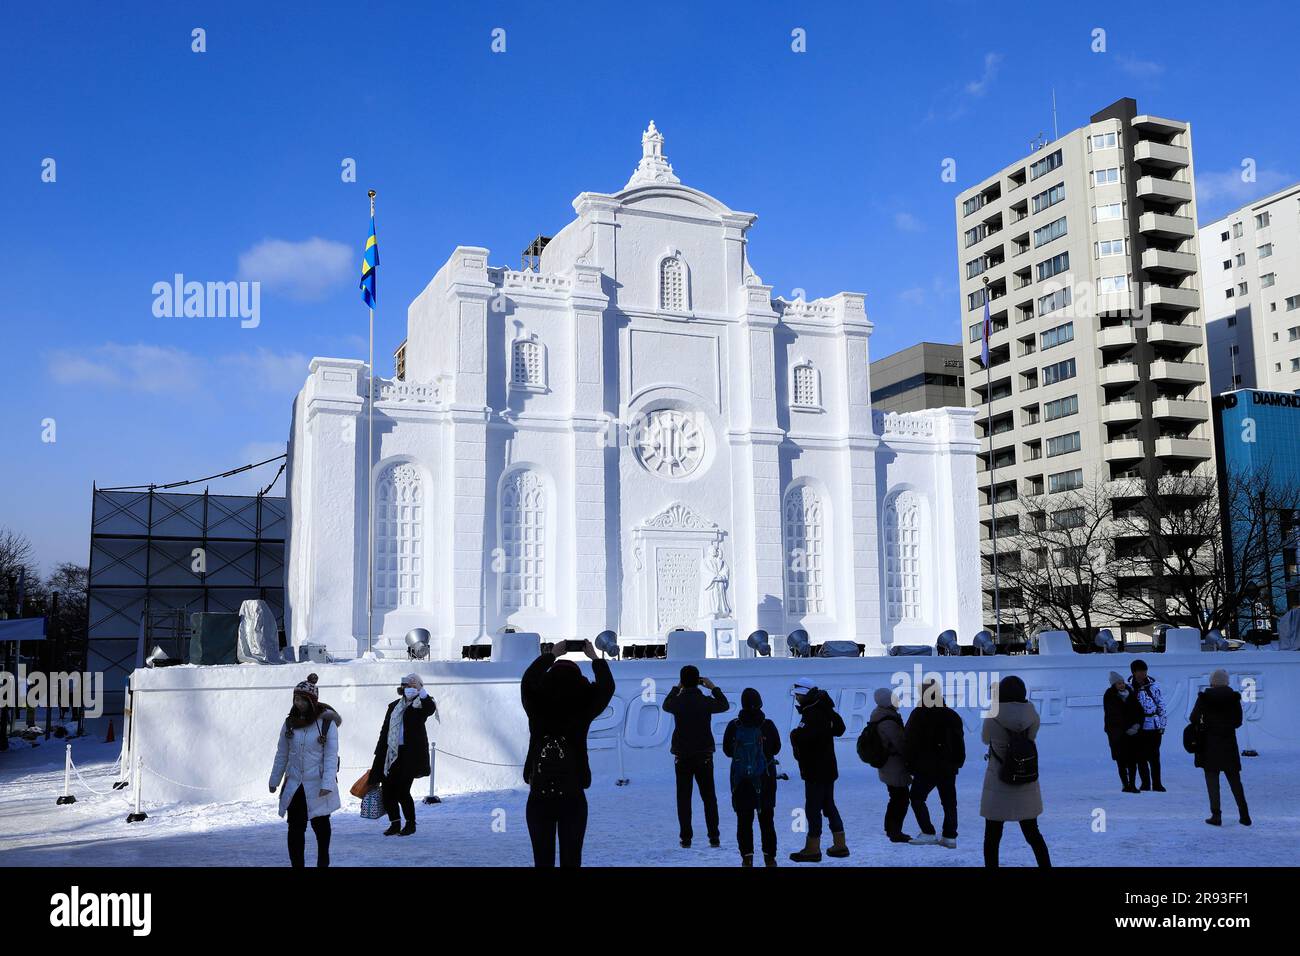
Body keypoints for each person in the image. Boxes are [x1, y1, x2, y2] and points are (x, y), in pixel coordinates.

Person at [520, 639, 615, 867]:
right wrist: (594, 657)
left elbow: (527, 681)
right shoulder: (583, 701)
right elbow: (606, 688)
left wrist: (550, 655)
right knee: (572, 859)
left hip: (540, 790)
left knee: (542, 860)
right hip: (572, 791)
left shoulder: (537, 699)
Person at [268, 674, 342, 867]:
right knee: (295, 829)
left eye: (301, 699)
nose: (297, 703)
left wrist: (327, 784)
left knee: (321, 827)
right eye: (295, 698)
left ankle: (322, 863)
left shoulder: (327, 724)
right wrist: (274, 780)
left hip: (318, 785)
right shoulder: (290, 723)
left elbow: (330, 757)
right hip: (295, 785)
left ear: (311, 701)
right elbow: (282, 753)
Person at [980, 676, 1050, 868]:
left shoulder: (993, 714)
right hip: (1024, 775)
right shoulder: (1032, 714)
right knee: (1033, 834)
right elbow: (1031, 736)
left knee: (992, 836)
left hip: (999, 779)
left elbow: (986, 739)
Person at [663, 665, 730, 848]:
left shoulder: (677, 702)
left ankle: (686, 838)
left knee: (684, 798)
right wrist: (713, 687)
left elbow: (666, 704)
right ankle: (714, 837)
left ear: (682, 681)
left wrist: (677, 688)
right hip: (704, 756)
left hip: (682, 756)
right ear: (699, 681)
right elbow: (724, 705)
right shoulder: (705, 701)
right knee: (709, 798)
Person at [368, 673, 438, 836]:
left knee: (402, 791)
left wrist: (421, 690)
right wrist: (379, 753)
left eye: (412, 686)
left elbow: (430, 709)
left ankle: (410, 823)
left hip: (410, 756)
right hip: (390, 754)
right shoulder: (393, 706)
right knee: (387, 791)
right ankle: (395, 823)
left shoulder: (421, 705)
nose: (409, 689)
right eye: (406, 686)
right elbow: (385, 730)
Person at [788, 680, 849, 862]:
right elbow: (839, 729)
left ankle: (812, 848)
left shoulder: (812, 713)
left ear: (806, 694)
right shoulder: (824, 709)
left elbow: (806, 738)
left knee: (813, 808)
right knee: (828, 805)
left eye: (798, 695)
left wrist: (795, 734)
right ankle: (840, 844)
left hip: (815, 769)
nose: (797, 698)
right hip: (828, 767)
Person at [722, 687, 782, 866]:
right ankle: (769, 858)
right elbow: (777, 748)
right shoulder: (768, 725)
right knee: (767, 821)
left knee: (744, 821)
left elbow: (727, 751)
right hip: (765, 779)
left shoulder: (734, 726)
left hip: (741, 780)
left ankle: (747, 858)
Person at [904, 678, 966, 848]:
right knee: (949, 802)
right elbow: (959, 741)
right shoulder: (951, 715)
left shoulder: (918, 714)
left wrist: (908, 765)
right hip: (948, 766)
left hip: (925, 767)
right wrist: (958, 761)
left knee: (916, 798)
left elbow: (909, 741)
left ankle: (928, 832)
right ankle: (950, 836)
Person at [1189, 669, 1251, 827]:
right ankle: (1244, 814)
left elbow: (1193, 718)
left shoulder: (1204, 697)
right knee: (1235, 780)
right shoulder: (1233, 698)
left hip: (1209, 744)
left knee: (1212, 780)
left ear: (1212, 682)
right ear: (1227, 682)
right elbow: (1238, 722)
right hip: (1229, 743)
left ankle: (1216, 815)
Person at [866, 687, 913, 843]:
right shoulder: (887, 721)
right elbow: (901, 743)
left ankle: (890, 828)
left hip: (888, 765)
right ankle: (895, 832)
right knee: (901, 799)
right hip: (894, 766)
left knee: (895, 798)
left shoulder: (881, 715)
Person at [1103, 671, 1143, 793]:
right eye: (1118, 683)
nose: (1121, 685)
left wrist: (1136, 725)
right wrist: (1127, 728)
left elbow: (1139, 711)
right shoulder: (1110, 696)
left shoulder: (1130, 694)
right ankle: (1125, 785)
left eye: (1122, 683)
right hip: (1118, 734)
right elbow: (1114, 716)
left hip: (1132, 734)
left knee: (1132, 760)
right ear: (1114, 685)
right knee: (1121, 760)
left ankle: (1132, 785)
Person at [1130, 660, 1167, 791]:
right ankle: (1145, 783)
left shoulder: (1154, 687)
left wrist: (1162, 725)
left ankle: (1157, 783)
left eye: (1144, 671)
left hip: (1154, 726)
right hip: (1138, 727)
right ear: (1134, 672)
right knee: (1140, 756)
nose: (1142, 674)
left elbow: (1161, 706)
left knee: (1154, 756)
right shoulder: (1130, 688)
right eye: (1139, 671)